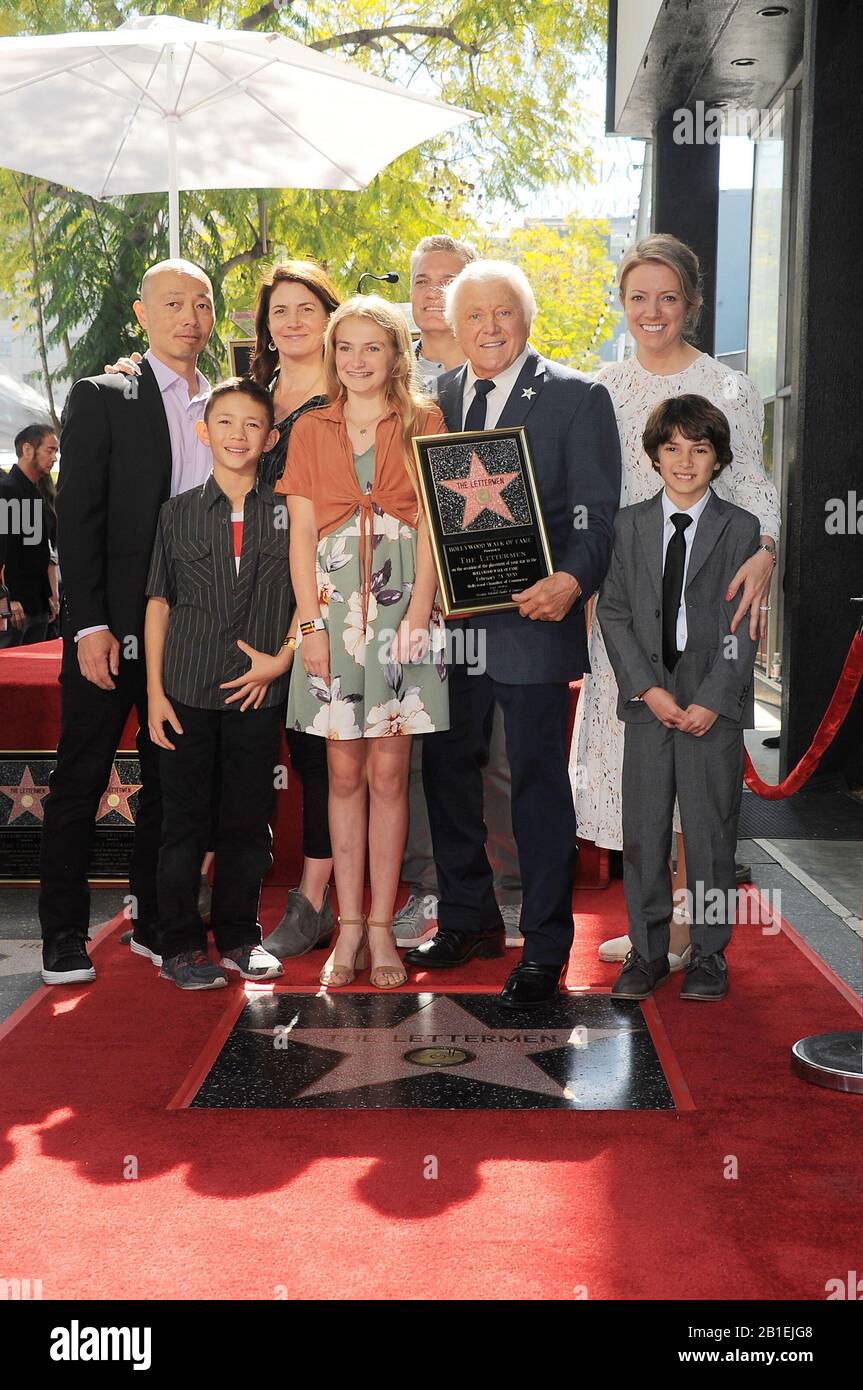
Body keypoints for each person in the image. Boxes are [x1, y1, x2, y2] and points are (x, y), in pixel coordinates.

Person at [404, 260, 621, 1008]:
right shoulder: (430, 399)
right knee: (447, 774)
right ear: (453, 327)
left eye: (502, 313)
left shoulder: (575, 396)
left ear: (525, 318)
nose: (489, 328)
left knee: (533, 785)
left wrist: (571, 580)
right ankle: (467, 919)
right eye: (474, 317)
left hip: (534, 619)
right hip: (449, 626)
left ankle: (547, 947)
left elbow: (598, 512)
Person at [568, 233, 780, 968]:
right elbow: (590, 496)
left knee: (698, 759)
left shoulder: (727, 387)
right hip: (624, 599)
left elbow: (752, 482)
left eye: (666, 297)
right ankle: (653, 920)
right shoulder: (601, 387)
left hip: (705, 594)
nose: (651, 311)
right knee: (640, 760)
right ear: (621, 304)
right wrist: (588, 578)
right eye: (637, 297)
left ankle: (694, 924)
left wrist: (766, 551)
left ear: (690, 303)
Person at [39, 259, 216, 986]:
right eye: (172, 303)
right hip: (110, 628)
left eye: (201, 303)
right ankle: (61, 934)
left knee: (172, 782)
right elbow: (75, 522)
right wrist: (87, 627)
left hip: (193, 632)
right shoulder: (103, 395)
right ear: (141, 315)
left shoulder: (230, 402)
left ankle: (154, 918)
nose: (189, 317)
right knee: (80, 779)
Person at [278, 295, 448, 990]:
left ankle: (383, 929)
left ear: (394, 354)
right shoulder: (309, 427)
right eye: (344, 348)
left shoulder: (423, 420)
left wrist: (419, 612)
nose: (356, 360)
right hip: (332, 611)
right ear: (331, 355)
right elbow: (298, 536)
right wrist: (309, 625)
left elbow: (438, 525)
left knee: (388, 773)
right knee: (342, 775)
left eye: (370, 348)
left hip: (403, 606)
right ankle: (345, 928)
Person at [596, 395, 760, 1001]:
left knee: (712, 832)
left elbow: (745, 626)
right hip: (650, 701)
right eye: (673, 448)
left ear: (718, 459)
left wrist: (716, 699)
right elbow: (612, 611)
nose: (685, 461)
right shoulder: (630, 523)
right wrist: (646, 687)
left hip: (711, 705)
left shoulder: (741, 529)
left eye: (699, 449)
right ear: (655, 455)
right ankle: (648, 950)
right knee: (643, 831)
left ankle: (710, 955)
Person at [145, 378, 294, 990]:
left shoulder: (289, 511)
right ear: (204, 432)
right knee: (182, 822)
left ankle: (239, 934)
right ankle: (178, 943)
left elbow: (307, 598)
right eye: (225, 422)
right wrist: (154, 692)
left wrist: (281, 659)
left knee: (247, 819)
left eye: (252, 424)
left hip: (258, 692)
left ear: (271, 437)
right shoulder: (176, 513)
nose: (238, 435)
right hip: (184, 690)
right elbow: (159, 603)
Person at [397, 234, 524, 948]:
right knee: (422, 752)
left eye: (451, 280)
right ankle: (428, 889)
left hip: (499, 602)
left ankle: (502, 892)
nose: (435, 291)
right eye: (423, 279)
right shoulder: (395, 380)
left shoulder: (505, 376)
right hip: (413, 601)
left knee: (499, 756)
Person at [247, 262, 342, 961]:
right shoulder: (249, 398)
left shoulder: (349, 393)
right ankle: (217, 887)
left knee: (316, 757)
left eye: (306, 306)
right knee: (239, 749)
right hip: (246, 593)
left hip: (326, 592)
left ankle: (311, 903)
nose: (293, 320)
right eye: (280, 310)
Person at [0, 425, 59, 648]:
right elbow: (3, 550)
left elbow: (41, 550)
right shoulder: (6, 490)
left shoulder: (36, 493)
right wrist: (7, 599)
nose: (54, 458)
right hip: (14, 609)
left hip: (38, 606)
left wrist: (49, 597)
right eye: (49, 450)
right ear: (27, 449)